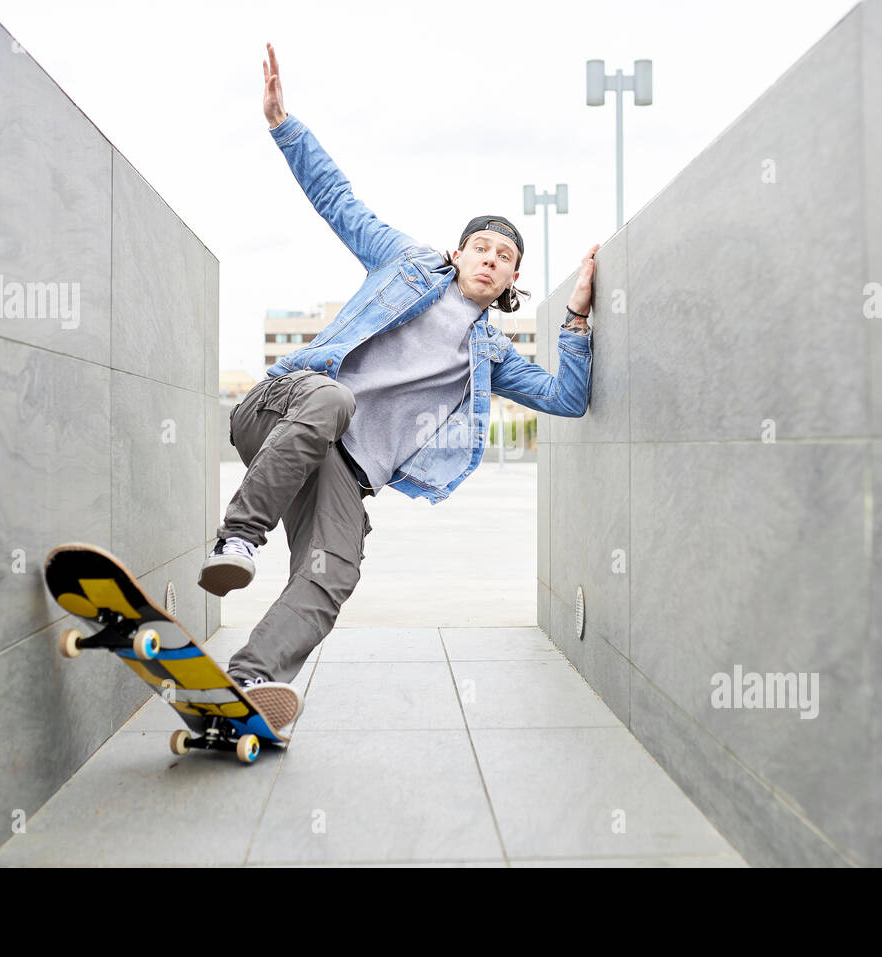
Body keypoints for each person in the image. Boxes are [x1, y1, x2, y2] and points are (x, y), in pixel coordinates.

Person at [198, 43, 599, 735]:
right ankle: (238, 540)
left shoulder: (491, 353)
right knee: (334, 399)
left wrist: (577, 316)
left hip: (341, 473)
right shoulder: (404, 262)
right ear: (459, 250)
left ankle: (246, 684)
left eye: (506, 259)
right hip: (283, 407)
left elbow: (566, 397)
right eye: (484, 248)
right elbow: (337, 200)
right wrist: (282, 123)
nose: (492, 260)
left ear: (508, 283)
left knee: (333, 575)